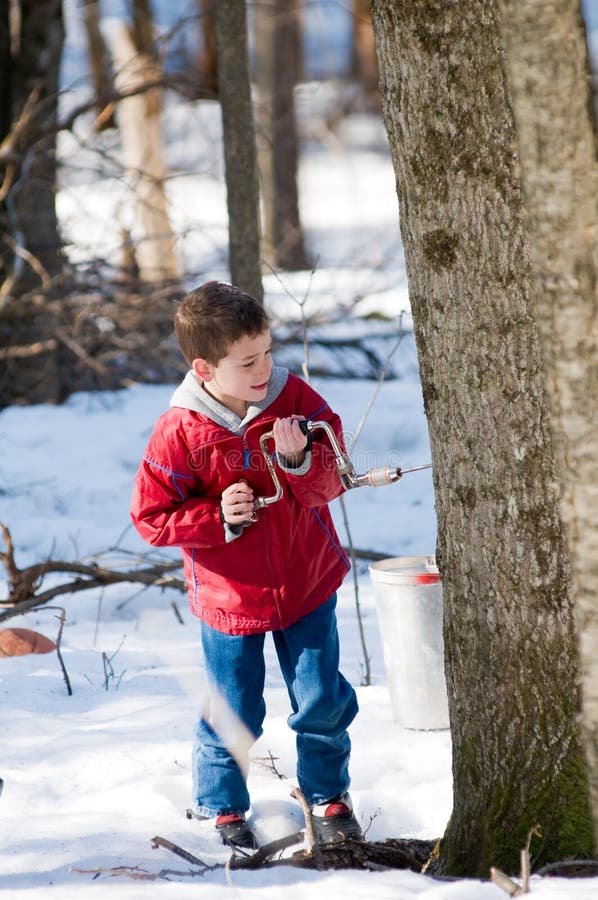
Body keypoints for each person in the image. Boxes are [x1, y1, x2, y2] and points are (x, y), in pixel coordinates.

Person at [130, 281, 362, 850]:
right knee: (234, 710)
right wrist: (219, 518)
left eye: (268, 352)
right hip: (229, 598)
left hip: (305, 582)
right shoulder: (181, 431)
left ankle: (328, 797)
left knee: (321, 700)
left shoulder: (295, 400)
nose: (265, 369)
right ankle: (223, 808)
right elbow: (151, 517)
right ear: (204, 367)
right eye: (248, 361)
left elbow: (334, 478)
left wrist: (298, 458)